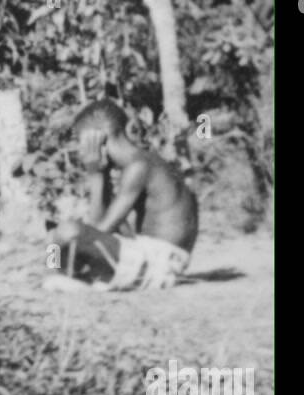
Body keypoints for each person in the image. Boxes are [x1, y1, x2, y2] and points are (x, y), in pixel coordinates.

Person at [45, 100, 198, 292]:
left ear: (95, 140)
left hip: (160, 262)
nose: (81, 151)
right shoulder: (144, 161)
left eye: (81, 142)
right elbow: (107, 231)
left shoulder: (138, 166)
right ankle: (61, 274)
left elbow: (100, 230)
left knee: (63, 232)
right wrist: (101, 176)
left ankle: (55, 273)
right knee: (60, 236)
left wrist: (94, 175)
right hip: (158, 258)